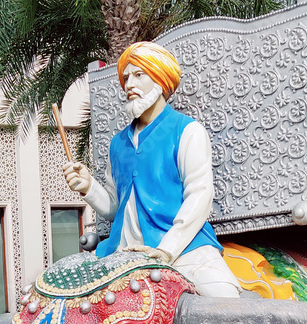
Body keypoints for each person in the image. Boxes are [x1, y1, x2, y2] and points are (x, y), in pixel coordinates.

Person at [63, 41, 241, 298]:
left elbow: (200, 195)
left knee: (225, 298)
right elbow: (115, 207)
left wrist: (167, 249)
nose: (129, 85)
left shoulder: (188, 131)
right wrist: (89, 186)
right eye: (126, 78)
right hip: (120, 252)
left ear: (159, 78)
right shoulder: (118, 143)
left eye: (138, 75)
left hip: (185, 249)